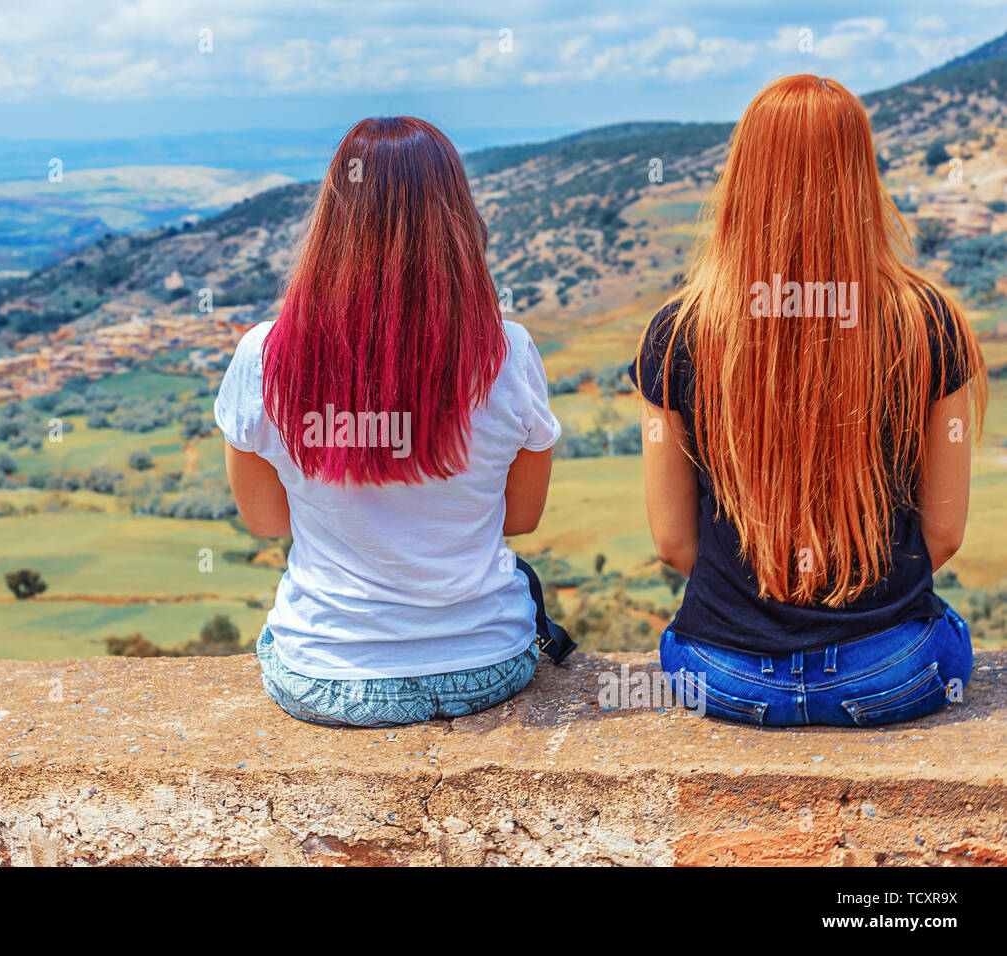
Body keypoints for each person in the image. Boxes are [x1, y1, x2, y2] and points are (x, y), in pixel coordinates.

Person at [633, 75, 987, 727]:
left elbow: (674, 543)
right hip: (896, 670)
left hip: (723, 672)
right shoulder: (929, 323)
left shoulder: (680, 331)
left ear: (742, 177)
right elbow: (944, 534)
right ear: (859, 175)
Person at [215, 116, 562, 728]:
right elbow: (521, 518)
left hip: (326, 672)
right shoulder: (509, 352)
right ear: (459, 217)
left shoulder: (264, 357)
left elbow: (266, 522)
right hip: (485, 662)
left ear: (331, 218)